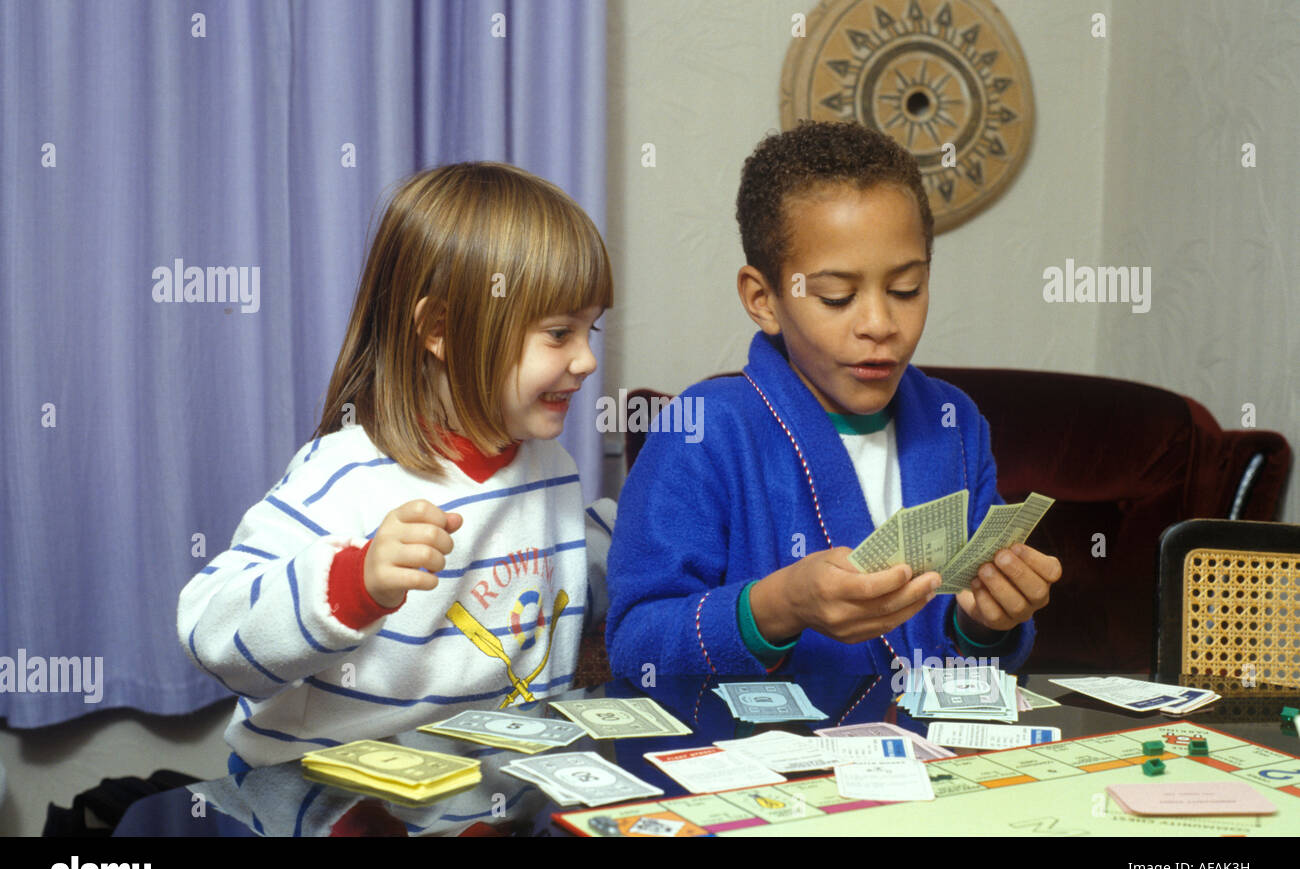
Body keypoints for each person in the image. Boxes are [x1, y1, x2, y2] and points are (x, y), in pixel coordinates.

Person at [179, 162, 615, 767]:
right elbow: (210, 630)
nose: (586, 360)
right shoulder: (344, 474)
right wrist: (351, 584)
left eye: (590, 330)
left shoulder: (553, 467)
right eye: (559, 333)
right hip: (321, 802)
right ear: (441, 329)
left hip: (482, 796)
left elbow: (582, 580)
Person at [606, 121, 1061, 680]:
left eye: (906, 290)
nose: (879, 324)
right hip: (770, 759)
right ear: (763, 298)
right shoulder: (704, 429)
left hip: (926, 754)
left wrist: (992, 621)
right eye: (836, 296)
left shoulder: (953, 422)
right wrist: (779, 606)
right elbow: (635, 645)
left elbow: (967, 637)